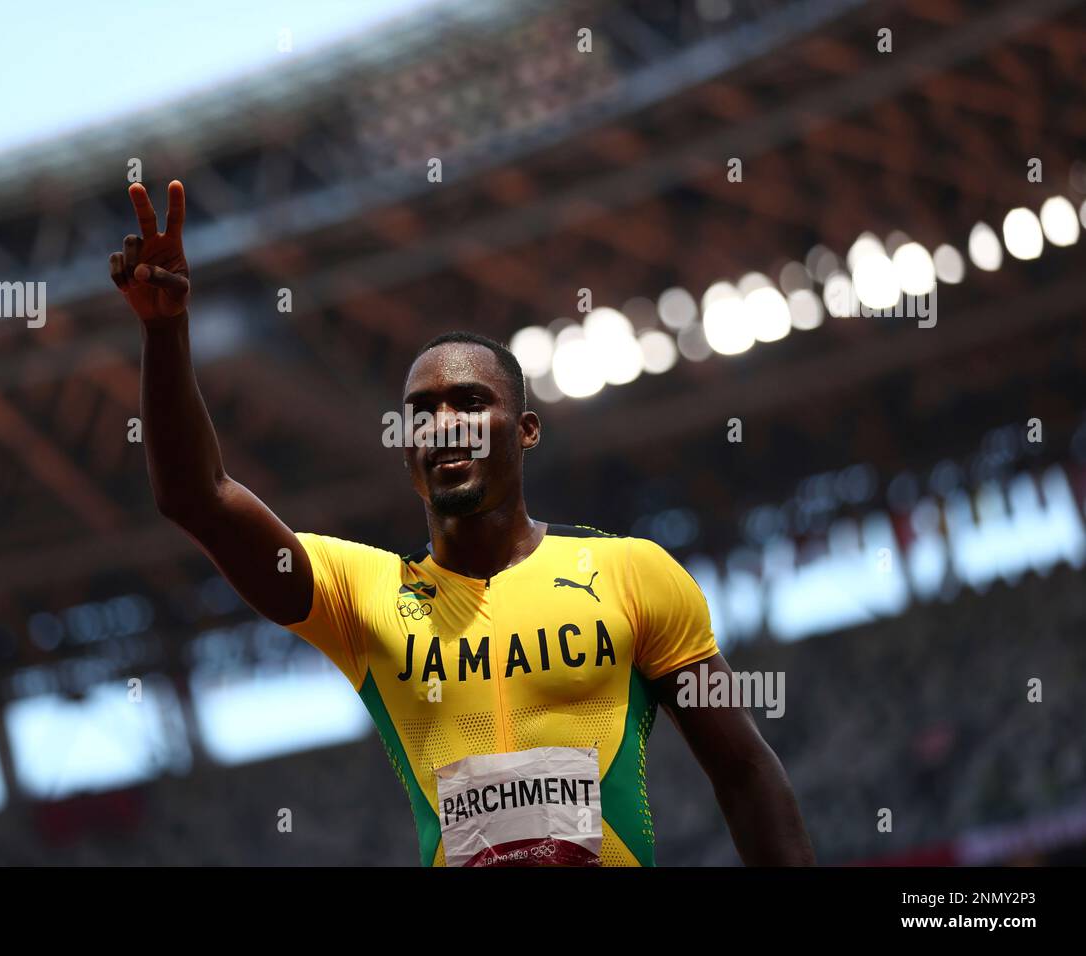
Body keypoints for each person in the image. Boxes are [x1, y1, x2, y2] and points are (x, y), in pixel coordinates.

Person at [109, 180, 815, 866]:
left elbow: (745, 768)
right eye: (423, 412)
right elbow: (196, 496)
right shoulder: (361, 597)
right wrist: (165, 331)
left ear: (527, 429)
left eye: (472, 402)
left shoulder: (635, 574)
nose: (446, 426)